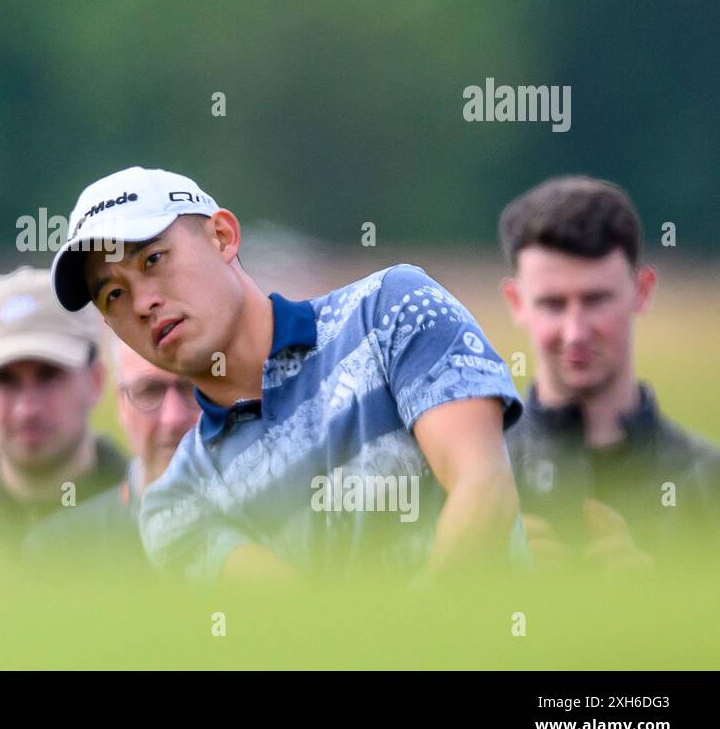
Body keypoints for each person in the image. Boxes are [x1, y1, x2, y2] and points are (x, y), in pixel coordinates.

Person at [51, 166, 525, 584]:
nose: (141, 303)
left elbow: (483, 489)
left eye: (153, 260)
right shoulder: (174, 507)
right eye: (113, 294)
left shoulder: (394, 309)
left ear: (222, 237)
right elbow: (308, 629)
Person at [498, 175, 720, 571]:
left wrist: (655, 606)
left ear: (643, 290)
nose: (576, 332)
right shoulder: (478, 483)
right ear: (516, 302)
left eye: (596, 300)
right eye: (552, 304)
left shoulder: (706, 484)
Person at [0, 266, 128, 559]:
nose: (27, 408)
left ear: (96, 380)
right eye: (4, 380)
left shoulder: (157, 521)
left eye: (49, 376)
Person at [23, 335, 197, 571]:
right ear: (121, 405)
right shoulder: (59, 553)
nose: (173, 417)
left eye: (194, 389)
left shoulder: (262, 527)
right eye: (149, 391)